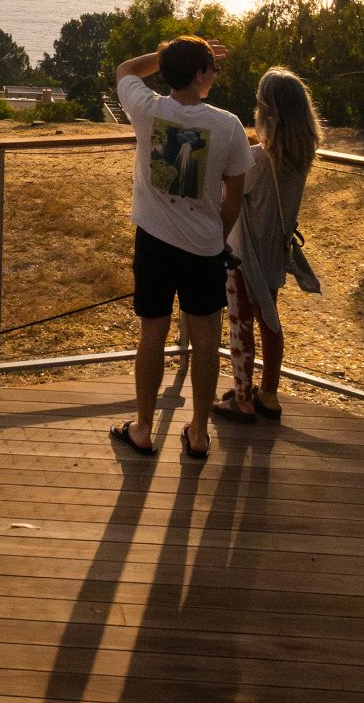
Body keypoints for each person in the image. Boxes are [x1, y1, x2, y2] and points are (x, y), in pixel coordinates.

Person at [107, 37, 254, 459]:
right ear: (202, 75)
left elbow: (125, 69)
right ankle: (199, 433)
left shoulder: (146, 108)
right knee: (206, 339)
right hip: (204, 250)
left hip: (153, 242)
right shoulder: (228, 126)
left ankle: (143, 428)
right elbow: (235, 194)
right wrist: (215, 235)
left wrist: (164, 56)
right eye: (211, 68)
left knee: (151, 332)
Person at [226, 66, 322, 421]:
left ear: (267, 113)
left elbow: (230, 193)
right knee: (270, 319)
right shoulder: (300, 158)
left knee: (241, 323)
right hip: (273, 254)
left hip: (243, 255)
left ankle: (241, 397)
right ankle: (268, 393)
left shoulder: (257, 160)